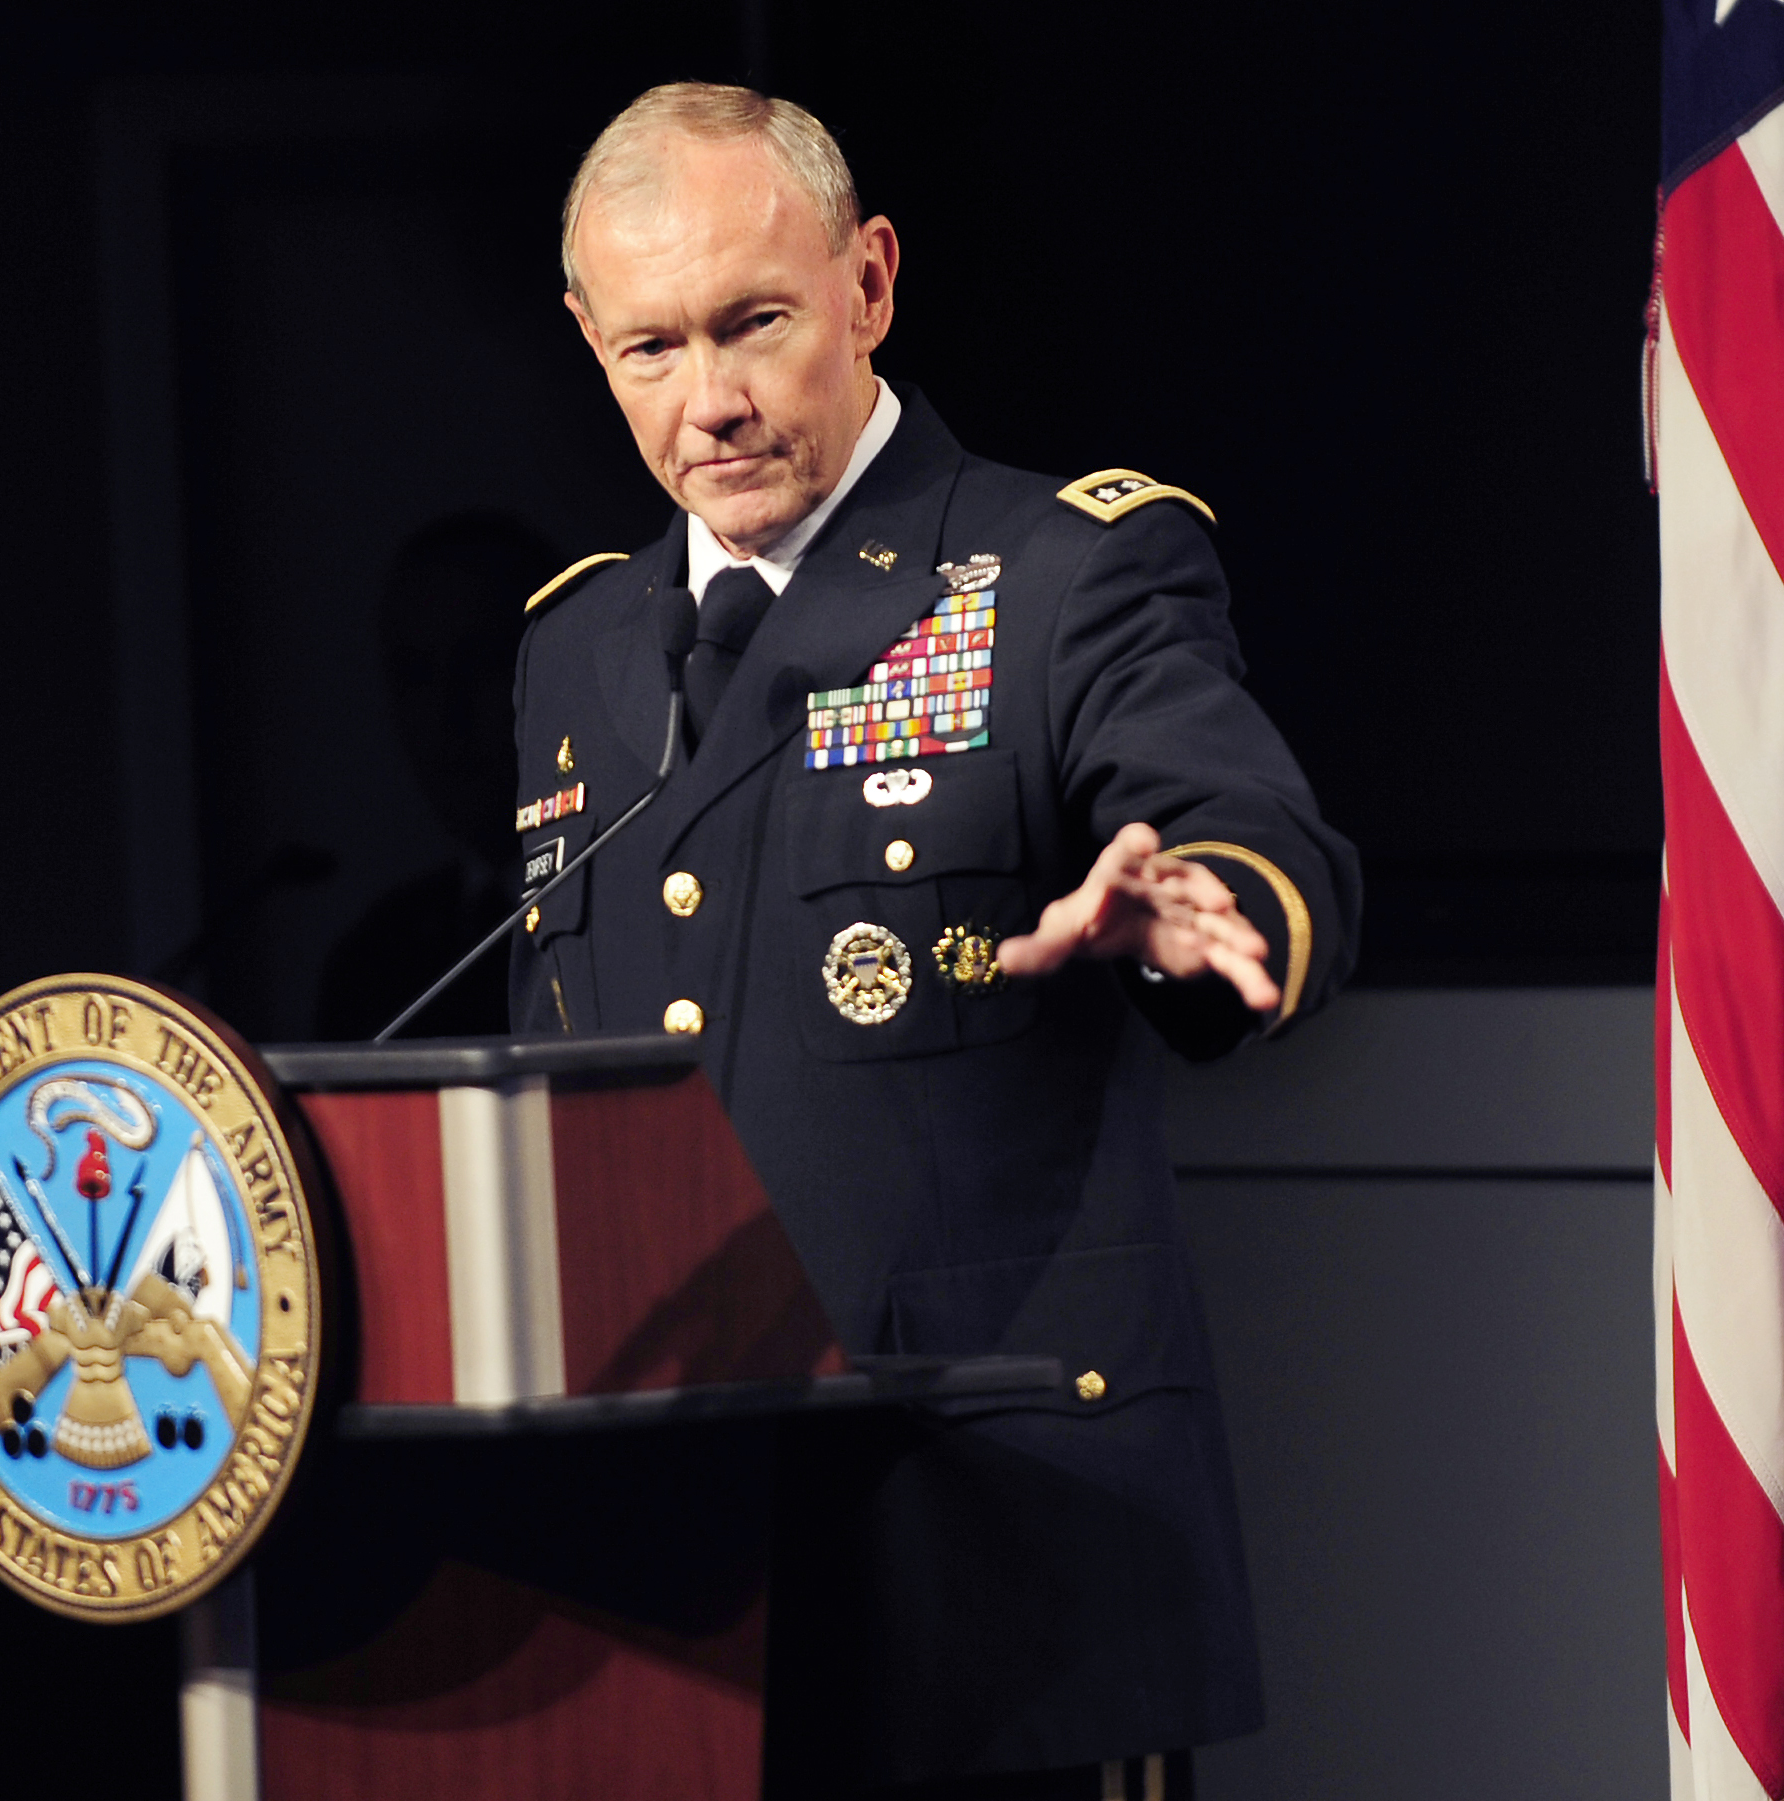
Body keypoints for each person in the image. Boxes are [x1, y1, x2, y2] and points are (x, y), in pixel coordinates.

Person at [511, 82, 1361, 1797]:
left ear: (868, 284)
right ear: (590, 343)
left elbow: (1253, 830)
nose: (716, 402)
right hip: (679, 1592)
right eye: (653, 350)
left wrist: (1206, 907)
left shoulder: (1057, 574)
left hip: (1003, 1574)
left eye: (755, 322)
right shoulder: (577, 649)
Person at [315, 510, 563, 1040]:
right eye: (416, 674)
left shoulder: (629, 908)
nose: (446, 713)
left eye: (482, 663)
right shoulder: (374, 960)